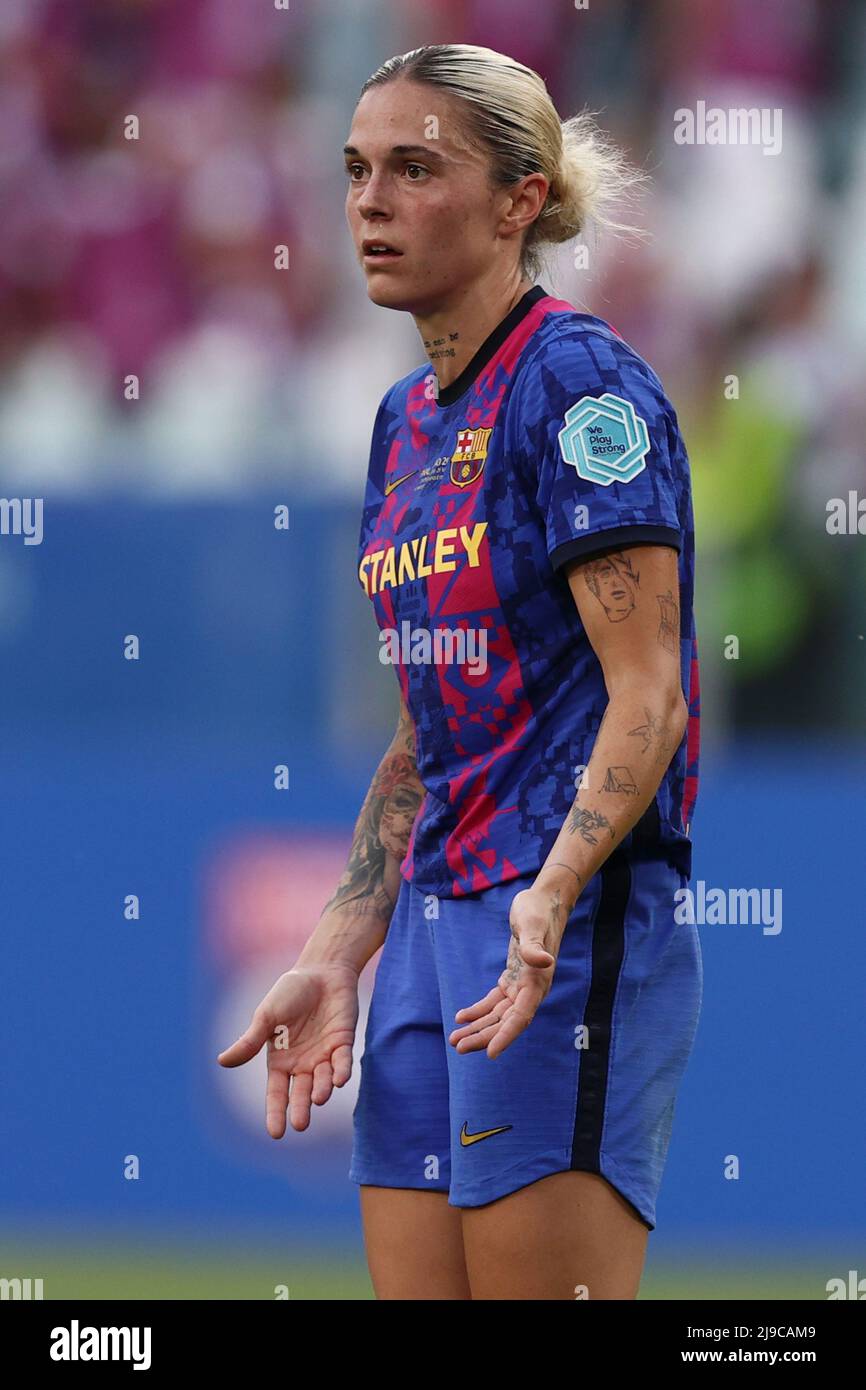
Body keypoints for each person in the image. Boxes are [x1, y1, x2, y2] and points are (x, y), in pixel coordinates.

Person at [218, 43, 702, 1301]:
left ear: (517, 200)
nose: (368, 202)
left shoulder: (578, 385)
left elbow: (648, 688)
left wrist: (548, 894)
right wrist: (340, 944)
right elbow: (428, 722)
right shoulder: (404, 422)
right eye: (356, 169)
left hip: (563, 924)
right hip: (436, 925)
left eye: (415, 169)